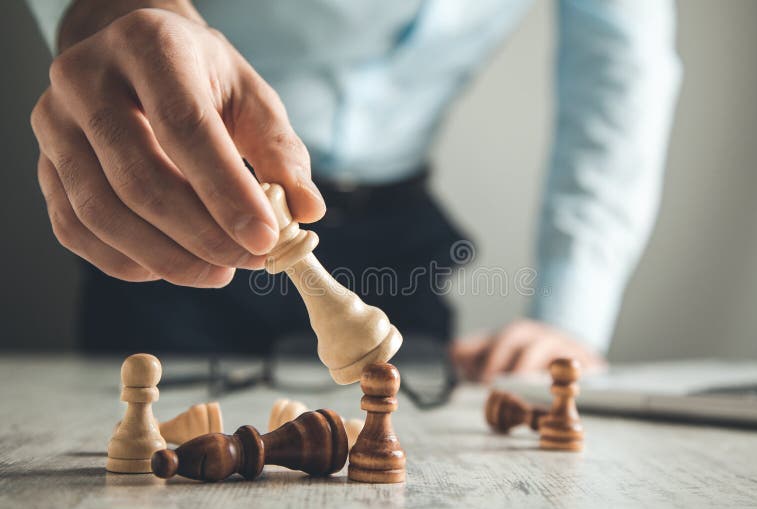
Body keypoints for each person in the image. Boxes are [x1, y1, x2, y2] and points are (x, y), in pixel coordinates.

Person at [26, 0, 681, 382]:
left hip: (401, 231)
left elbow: (619, 72)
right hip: (174, 203)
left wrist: (570, 318)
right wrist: (104, 8)